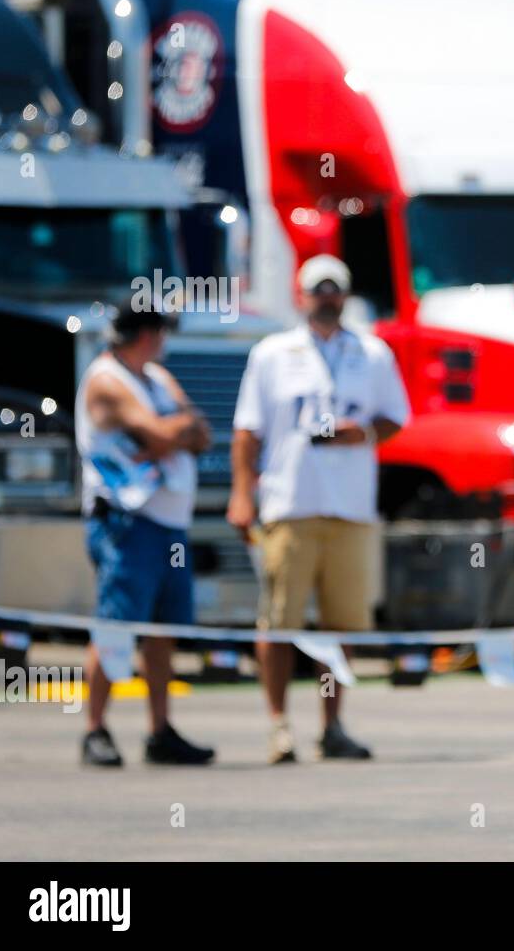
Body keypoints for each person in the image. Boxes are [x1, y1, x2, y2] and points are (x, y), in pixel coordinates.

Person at [227, 255, 409, 764]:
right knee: (280, 620)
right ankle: (278, 725)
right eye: (317, 290)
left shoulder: (372, 353)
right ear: (301, 295)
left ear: (346, 297)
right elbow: (248, 431)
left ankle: (332, 726)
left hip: (350, 506)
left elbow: (397, 417)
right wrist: (242, 493)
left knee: (342, 625)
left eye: (335, 290)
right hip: (291, 502)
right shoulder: (272, 353)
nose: (326, 298)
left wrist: (362, 434)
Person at [76, 302, 215, 767]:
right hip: (127, 525)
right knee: (117, 626)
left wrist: (173, 430)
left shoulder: (153, 378)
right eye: (159, 332)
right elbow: (161, 435)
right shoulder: (106, 380)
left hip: (169, 525)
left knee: (163, 631)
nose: (163, 341)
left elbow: (201, 431)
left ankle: (160, 730)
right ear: (146, 334)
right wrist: (175, 431)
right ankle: (95, 727)